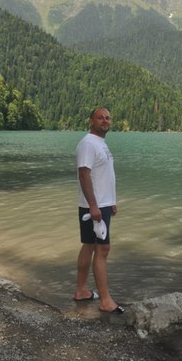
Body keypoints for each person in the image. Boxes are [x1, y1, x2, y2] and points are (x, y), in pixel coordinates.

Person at [74, 107, 124, 314]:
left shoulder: (100, 143)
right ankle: (105, 300)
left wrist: (111, 201)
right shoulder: (88, 143)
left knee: (89, 246)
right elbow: (84, 175)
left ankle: (81, 291)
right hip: (94, 205)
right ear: (91, 121)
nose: (105, 121)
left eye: (108, 118)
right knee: (102, 250)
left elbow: (104, 175)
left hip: (102, 204)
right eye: (100, 117)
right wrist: (94, 205)